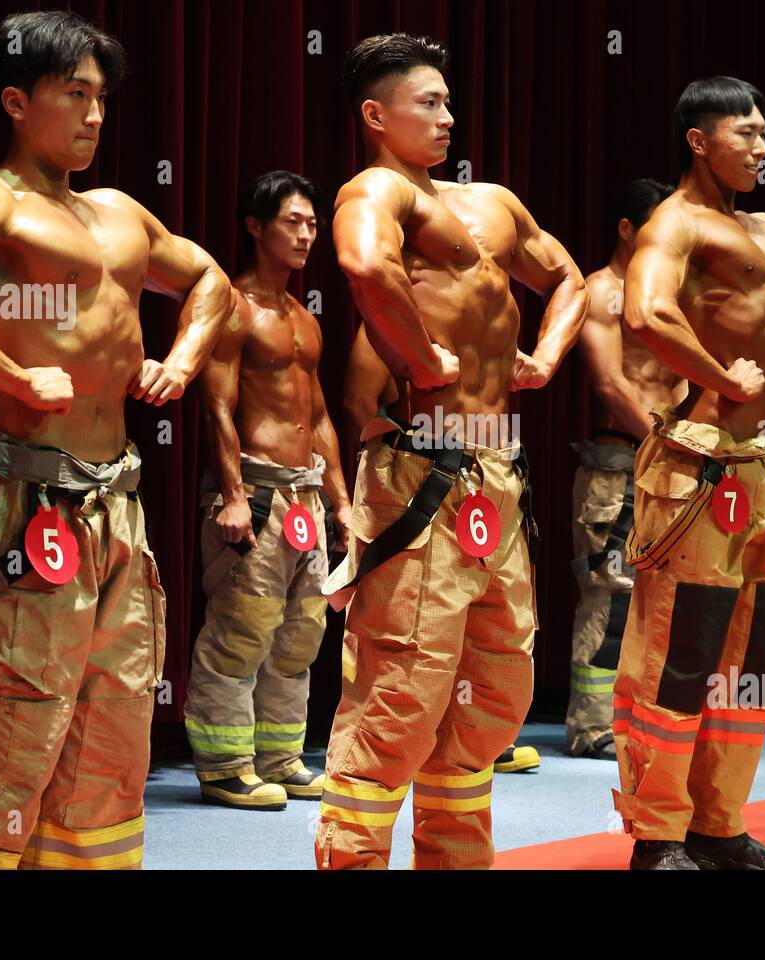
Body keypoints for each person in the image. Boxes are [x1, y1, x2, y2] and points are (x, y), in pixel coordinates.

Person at [0, 10, 232, 869]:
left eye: (102, 98)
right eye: (73, 94)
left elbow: (211, 280)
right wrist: (9, 374)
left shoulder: (118, 214)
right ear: (14, 100)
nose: (94, 115)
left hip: (118, 506)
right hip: (26, 503)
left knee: (110, 727)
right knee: (10, 724)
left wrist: (181, 361)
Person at [316, 33, 586, 869]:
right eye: (426, 103)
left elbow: (572, 278)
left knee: (494, 692)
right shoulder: (375, 190)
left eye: (447, 101)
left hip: (496, 471)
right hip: (420, 469)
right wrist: (421, 352)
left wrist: (545, 356)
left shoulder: (494, 203)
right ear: (376, 114)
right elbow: (363, 265)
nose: (447, 116)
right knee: (400, 690)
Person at [614, 76, 765, 871]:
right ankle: (657, 836)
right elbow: (646, 313)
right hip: (695, 470)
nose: (762, 149)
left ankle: (718, 824)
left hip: (759, 470)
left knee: (750, 662)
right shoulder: (675, 223)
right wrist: (720, 378)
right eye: (746, 135)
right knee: (679, 657)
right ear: (700, 141)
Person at [184, 171, 352, 809]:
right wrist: (231, 495)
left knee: (301, 632)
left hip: (305, 492)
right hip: (254, 490)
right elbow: (215, 406)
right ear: (255, 227)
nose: (306, 234)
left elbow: (320, 417)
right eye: (292, 221)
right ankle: (226, 764)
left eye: (313, 223)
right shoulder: (230, 305)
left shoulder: (305, 321)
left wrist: (339, 500)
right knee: (242, 628)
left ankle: (281, 757)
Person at [342, 323, 541, 775]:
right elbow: (358, 403)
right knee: (406, 681)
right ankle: (355, 837)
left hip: (493, 481)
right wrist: (390, 475)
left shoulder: (496, 307)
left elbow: (567, 280)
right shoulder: (394, 309)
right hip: (422, 479)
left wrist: (544, 357)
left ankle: (454, 841)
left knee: (494, 673)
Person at [566, 177, 679, 761]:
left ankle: (642, 717)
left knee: (663, 598)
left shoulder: (667, 295)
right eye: (655, 228)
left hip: (676, 464)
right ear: (628, 229)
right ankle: (592, 725)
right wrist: (672, 438)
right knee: (610, 594)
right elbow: (610, 384)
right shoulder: (601, 292)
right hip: (619, 464)